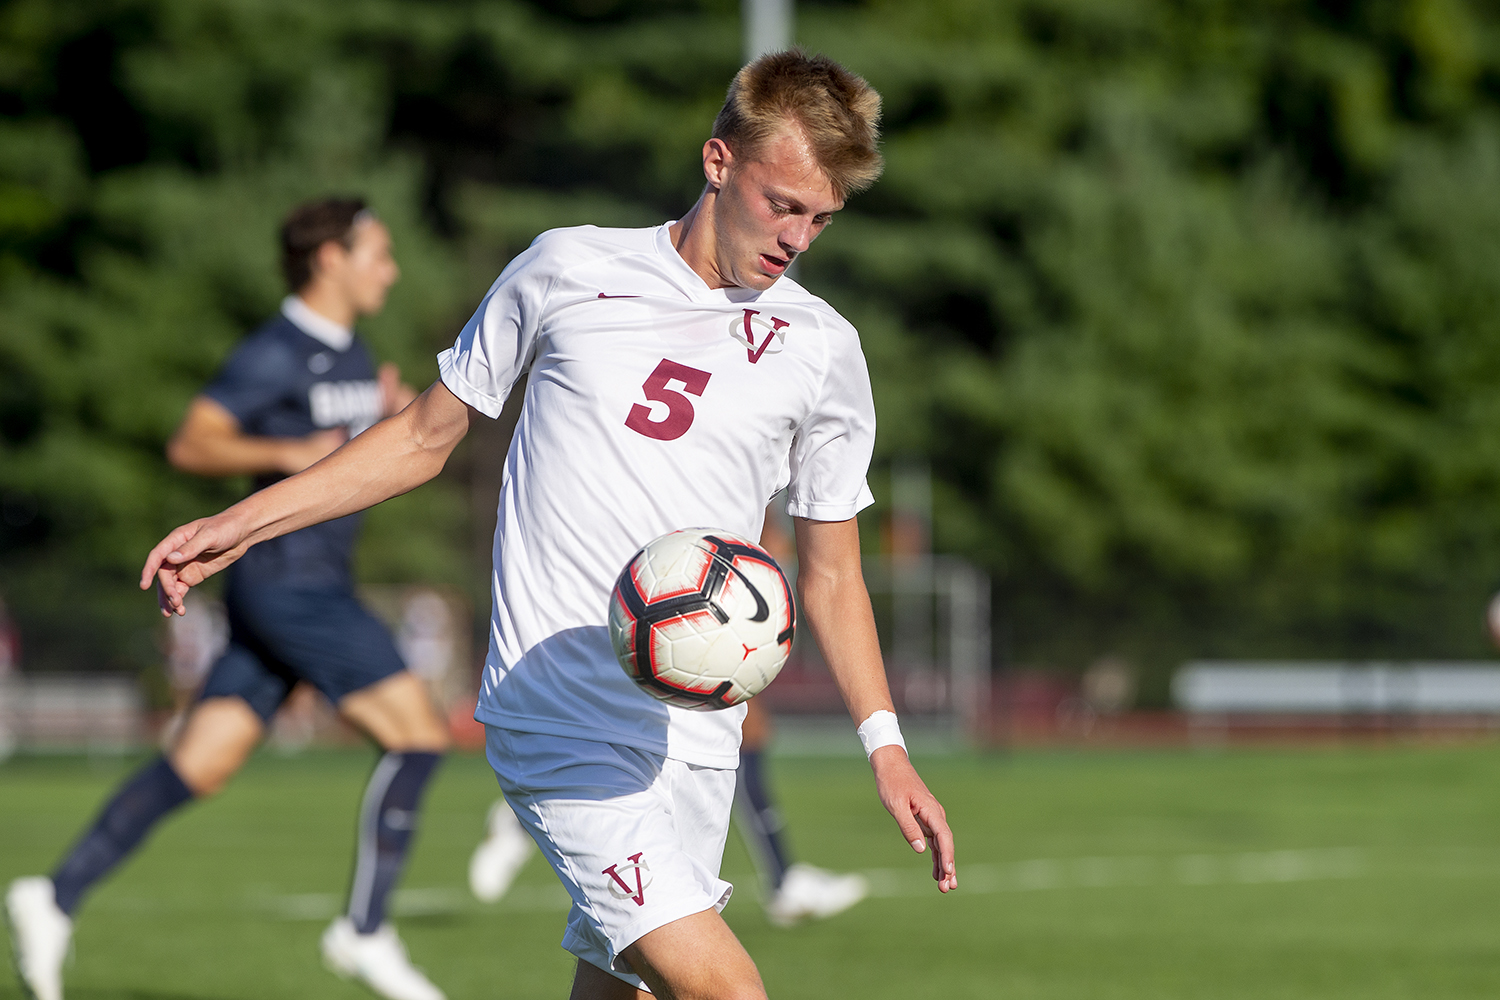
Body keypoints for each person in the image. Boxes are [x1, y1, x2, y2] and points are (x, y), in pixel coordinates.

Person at [138, 50, 956, 1000]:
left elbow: (829, 574)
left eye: (822, 218)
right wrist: (246, 520)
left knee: (624, 988)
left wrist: (884, 746)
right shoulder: (567, 266)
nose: (797, 239)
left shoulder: (824, 350)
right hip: (556, 712)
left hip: (694, 733)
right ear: (719, 162)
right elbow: (418, 438)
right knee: (728, 991)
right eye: (783, 204)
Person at [5, 198, 452, 1000]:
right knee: (419, 736)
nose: (389, 269)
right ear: (329, 260)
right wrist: (289, 449)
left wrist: (383, 416)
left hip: (296, 589)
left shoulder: (354, 353)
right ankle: (364, 931)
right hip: (291, 586)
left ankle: (54, 895)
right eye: (377, 253)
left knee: (199, 764)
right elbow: (193, 439)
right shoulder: (274, 353)